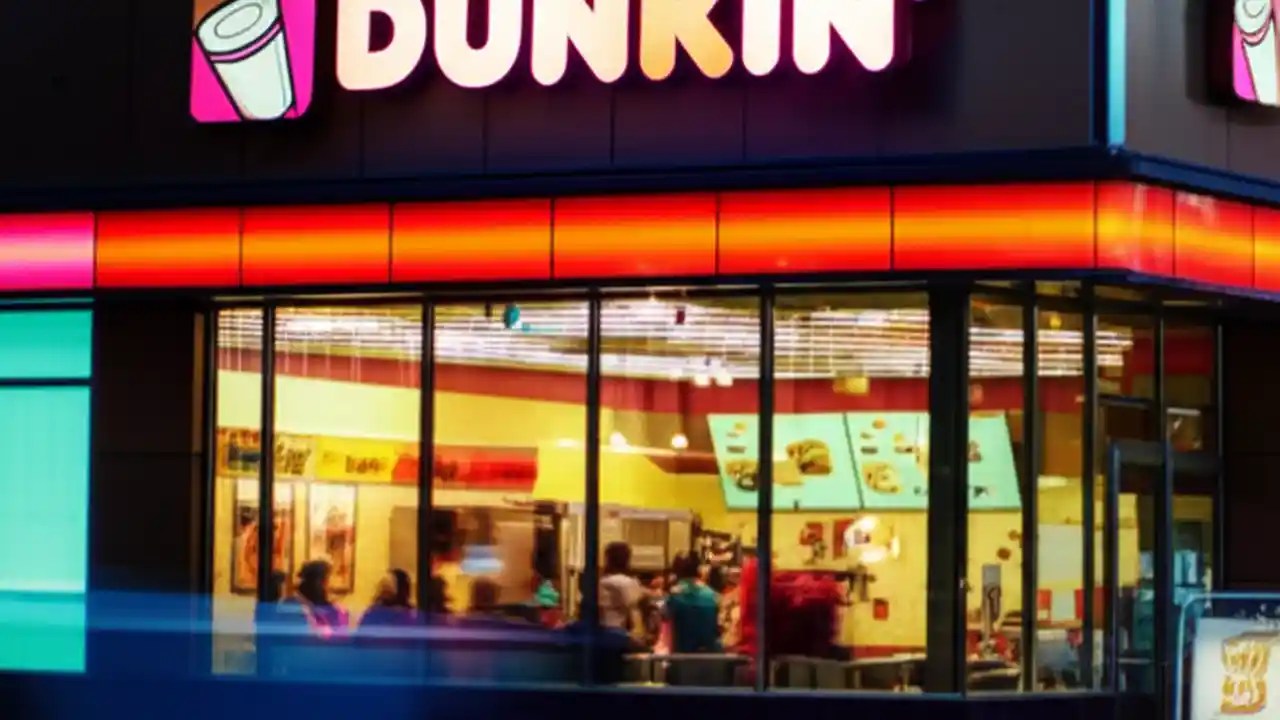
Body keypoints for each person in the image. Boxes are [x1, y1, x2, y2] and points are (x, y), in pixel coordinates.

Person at [665, 553, 722, 654]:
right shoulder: (713, 595)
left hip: (682, 655)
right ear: (698, 571)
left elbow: (666, 631)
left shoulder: (674, 595)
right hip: (711, 655)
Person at [291, 559, 348, 638]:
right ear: (317, 583)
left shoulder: (329, 608)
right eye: (328, 585)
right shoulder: (294, 608)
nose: (333, 588)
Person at [599, 542, 643, 636]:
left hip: (600, 631)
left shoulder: (602, 582)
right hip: (618, 632)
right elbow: (634, 611)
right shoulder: (627, 582)